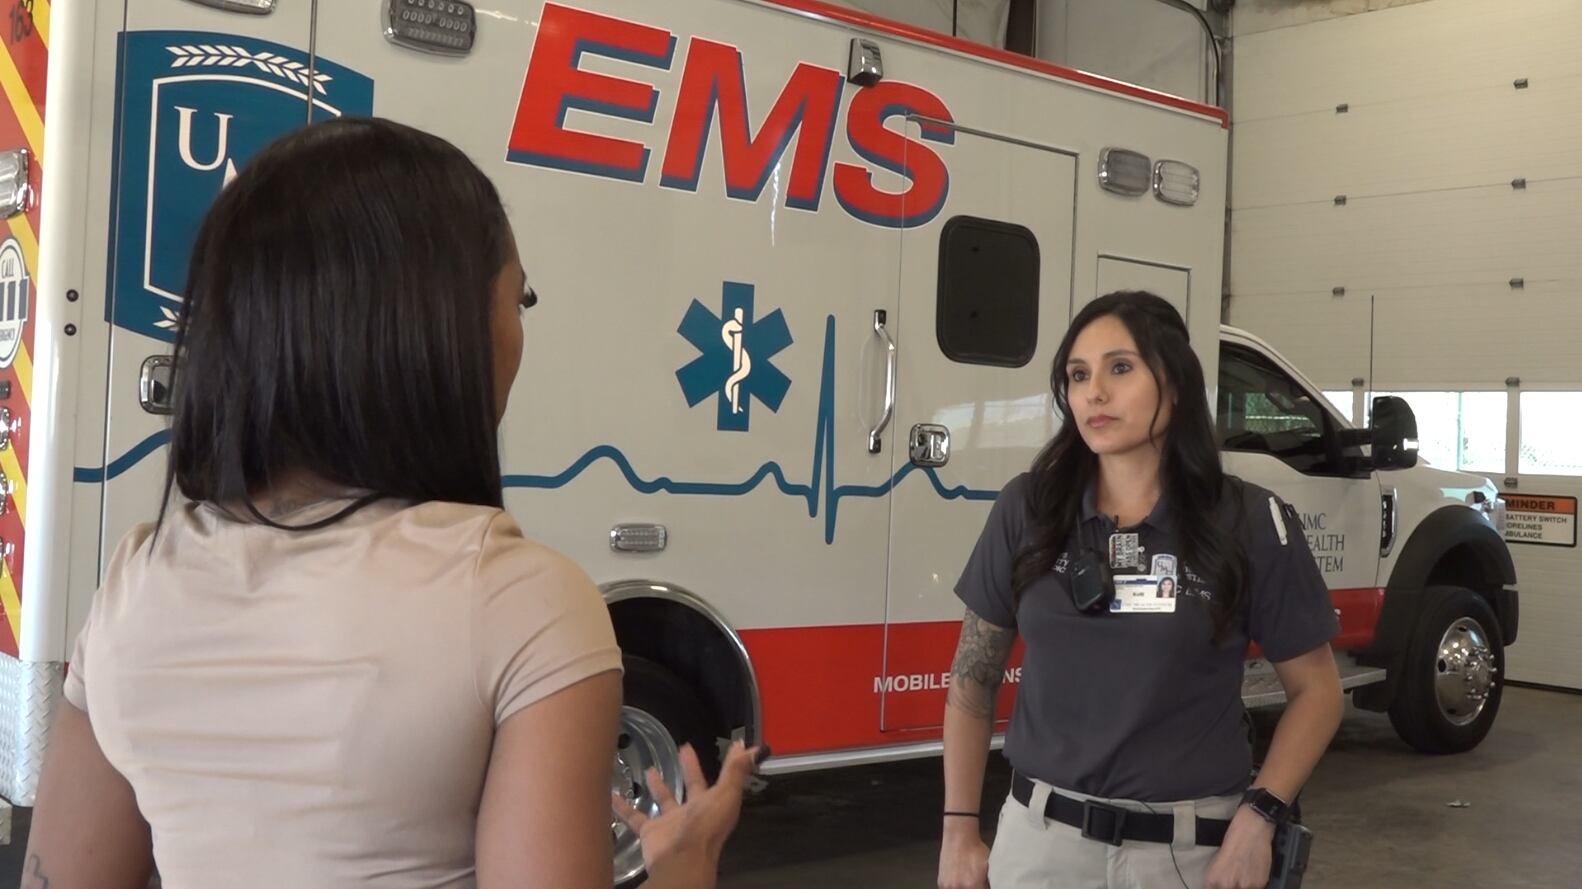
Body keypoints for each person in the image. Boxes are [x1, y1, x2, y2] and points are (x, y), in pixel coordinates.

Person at [24, 117, 755, 889]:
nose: (516, 330)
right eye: (520, 298)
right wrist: (683, 865)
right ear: (439, 329)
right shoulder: (522, 598)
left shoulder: (137, 581)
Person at [937, 291, 1344, 889]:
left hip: (1189, 856)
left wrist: (1258, 823)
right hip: (1039, 849)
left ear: (1174, 384)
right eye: (1079, 375)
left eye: (1119, 368)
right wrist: (958, 830)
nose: (1094, 392)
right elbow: (972, 680)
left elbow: (1318, 692)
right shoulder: (1028, 509)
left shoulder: (1248, 521)